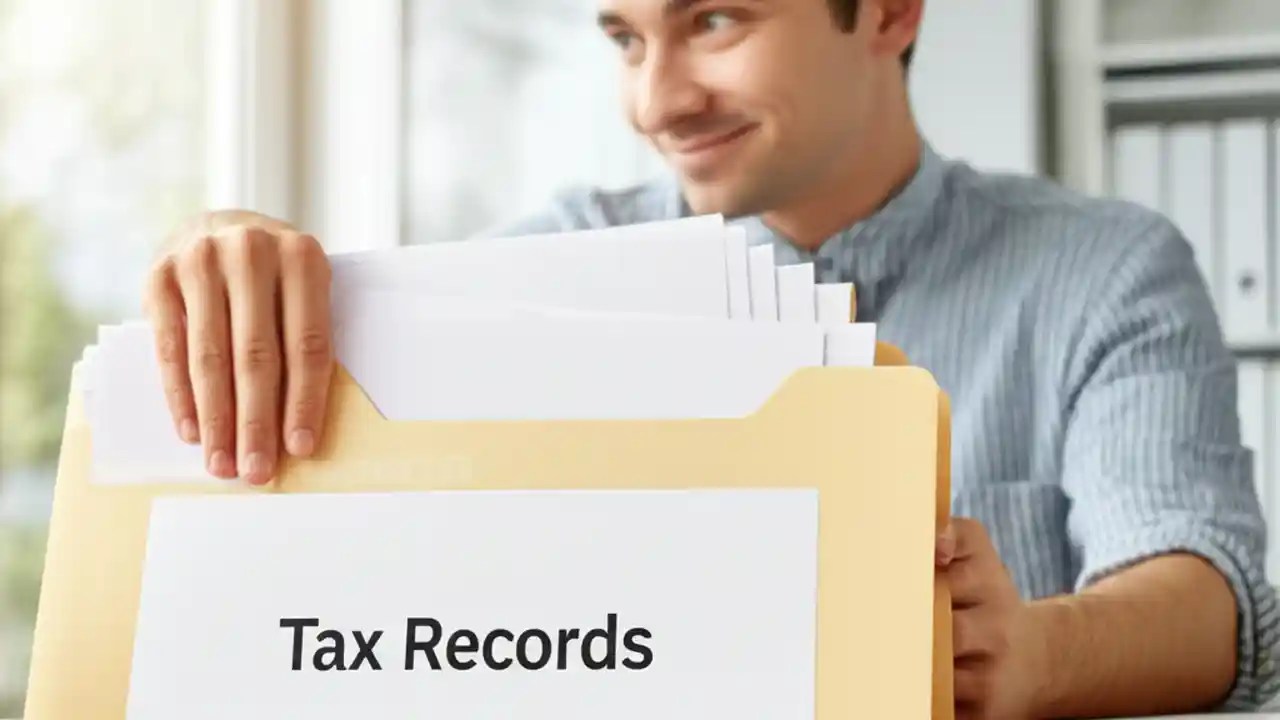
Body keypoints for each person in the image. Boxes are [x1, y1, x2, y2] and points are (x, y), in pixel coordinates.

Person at [143, 0, 1278, 716]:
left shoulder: (1103, 267)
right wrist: (226, 247)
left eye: (713, 24)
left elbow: (1205, 604)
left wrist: (1032, 652)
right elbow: (340, 375)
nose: (657, 101)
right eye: (626, 38)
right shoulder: (568, 258)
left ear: (886, 13)